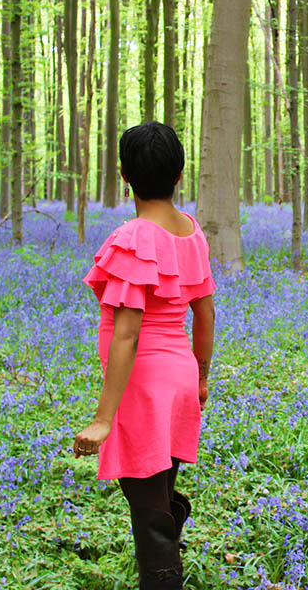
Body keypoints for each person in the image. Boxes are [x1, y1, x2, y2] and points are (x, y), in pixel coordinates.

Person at [73, 121, 216, 590]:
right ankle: (169, 532)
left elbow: (127, 335)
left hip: (145, 386)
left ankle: (163, 574)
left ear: (123, 176)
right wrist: (200, 377)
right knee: (156, 489)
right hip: (178, 377)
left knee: (146, 508)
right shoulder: (191, 232)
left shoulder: (134, 238)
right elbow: (205, 311)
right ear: (179, 176)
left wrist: (102, 417)